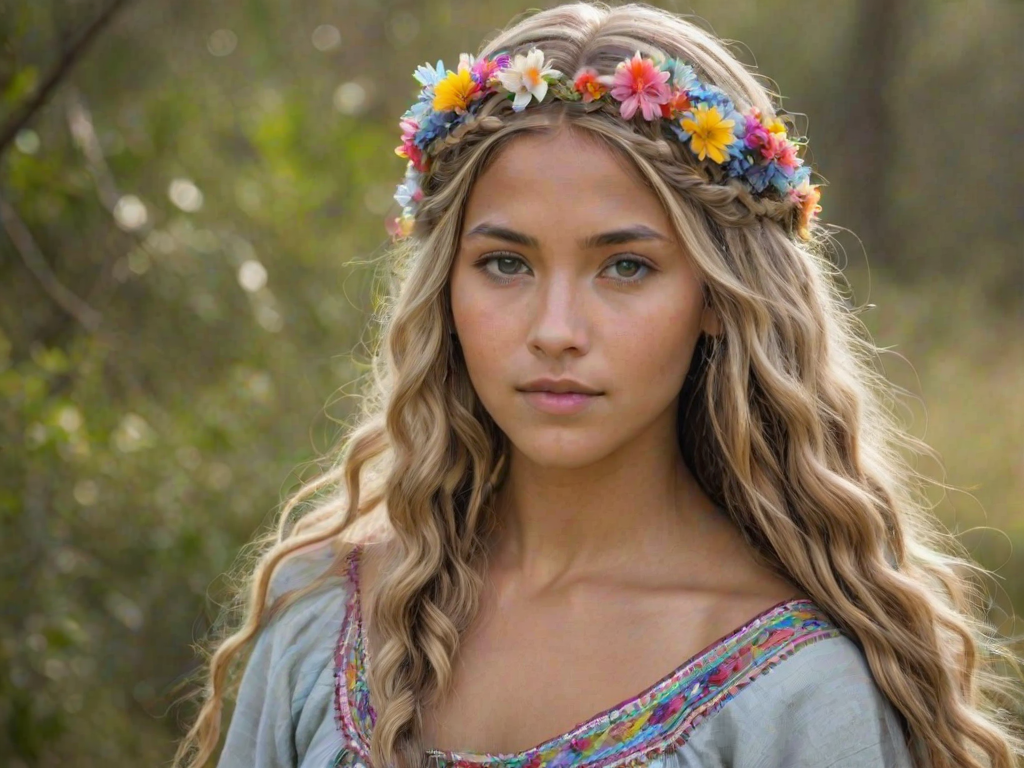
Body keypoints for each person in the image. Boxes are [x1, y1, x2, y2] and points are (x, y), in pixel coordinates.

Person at [173, 3, 1024, 768]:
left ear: (718, 298)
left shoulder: (801, 693)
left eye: (625, 266)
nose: (554, 329)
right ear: (446, 287)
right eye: (505, 263)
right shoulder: (323, 617)